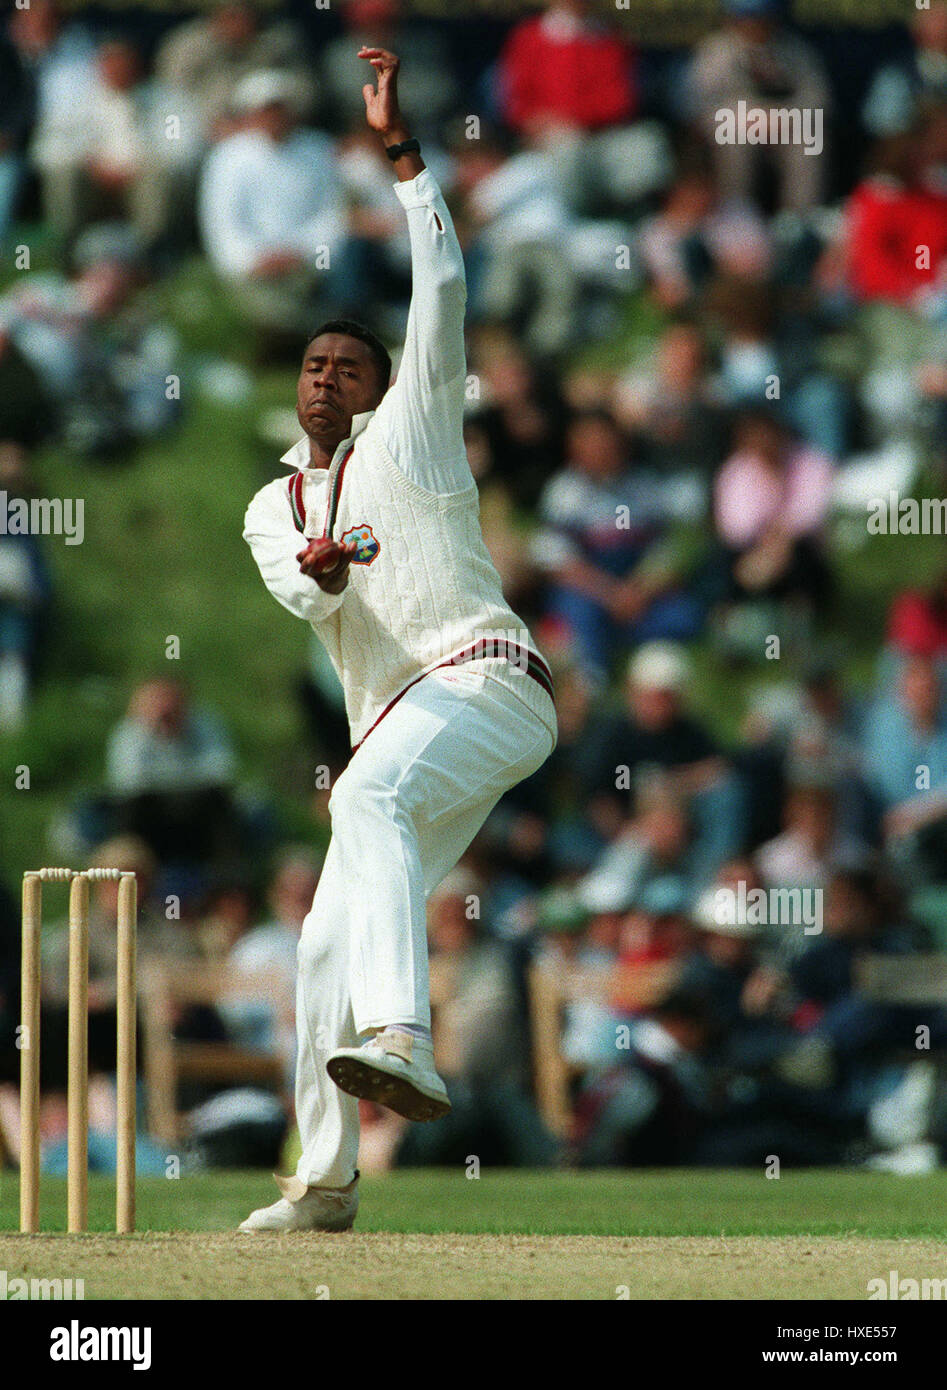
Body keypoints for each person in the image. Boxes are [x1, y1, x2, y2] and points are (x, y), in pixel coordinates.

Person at [239, 48, 557, 1233]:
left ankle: (406, 1041)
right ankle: (324, 1183)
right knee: (321, 944)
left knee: (359, 806)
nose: (328, 379)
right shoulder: (271, 504)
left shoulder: (411, 429)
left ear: (380, 388)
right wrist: (322, 567)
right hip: (405, 725)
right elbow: (302, 592)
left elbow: (441, 287)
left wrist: (402, 157)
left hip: (487, 679)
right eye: (314, 366)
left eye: (349, 368)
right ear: (298, 387)